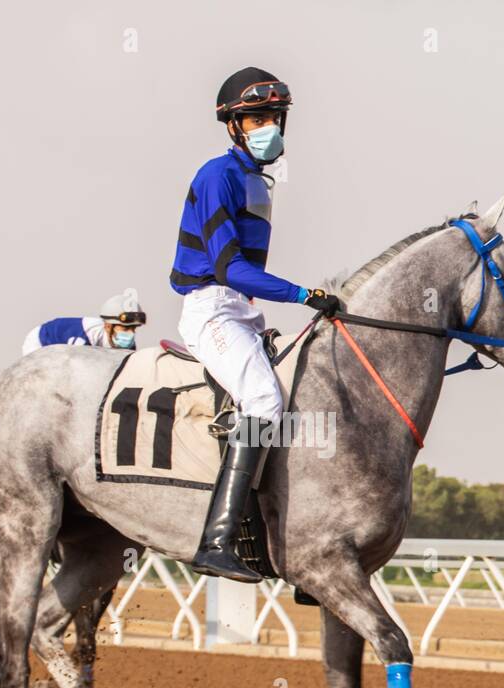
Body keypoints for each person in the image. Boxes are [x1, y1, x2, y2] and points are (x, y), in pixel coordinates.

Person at [170, 67, 341, 583]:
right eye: (256, 118)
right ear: (233, 127)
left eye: (273, 117)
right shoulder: (217, 175)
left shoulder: (255, 181)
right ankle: (217, 540)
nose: (268, 126)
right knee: (266, 401)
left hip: (241, 310)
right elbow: (231, 269)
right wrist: (304, 294)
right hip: (213, 308)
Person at [21, 292, 145, 356]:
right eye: (125, 328)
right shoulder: (84, 337)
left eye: (133, 328)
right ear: (107, 326)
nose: (130, 333)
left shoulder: (129, 346)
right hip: (41, 342)